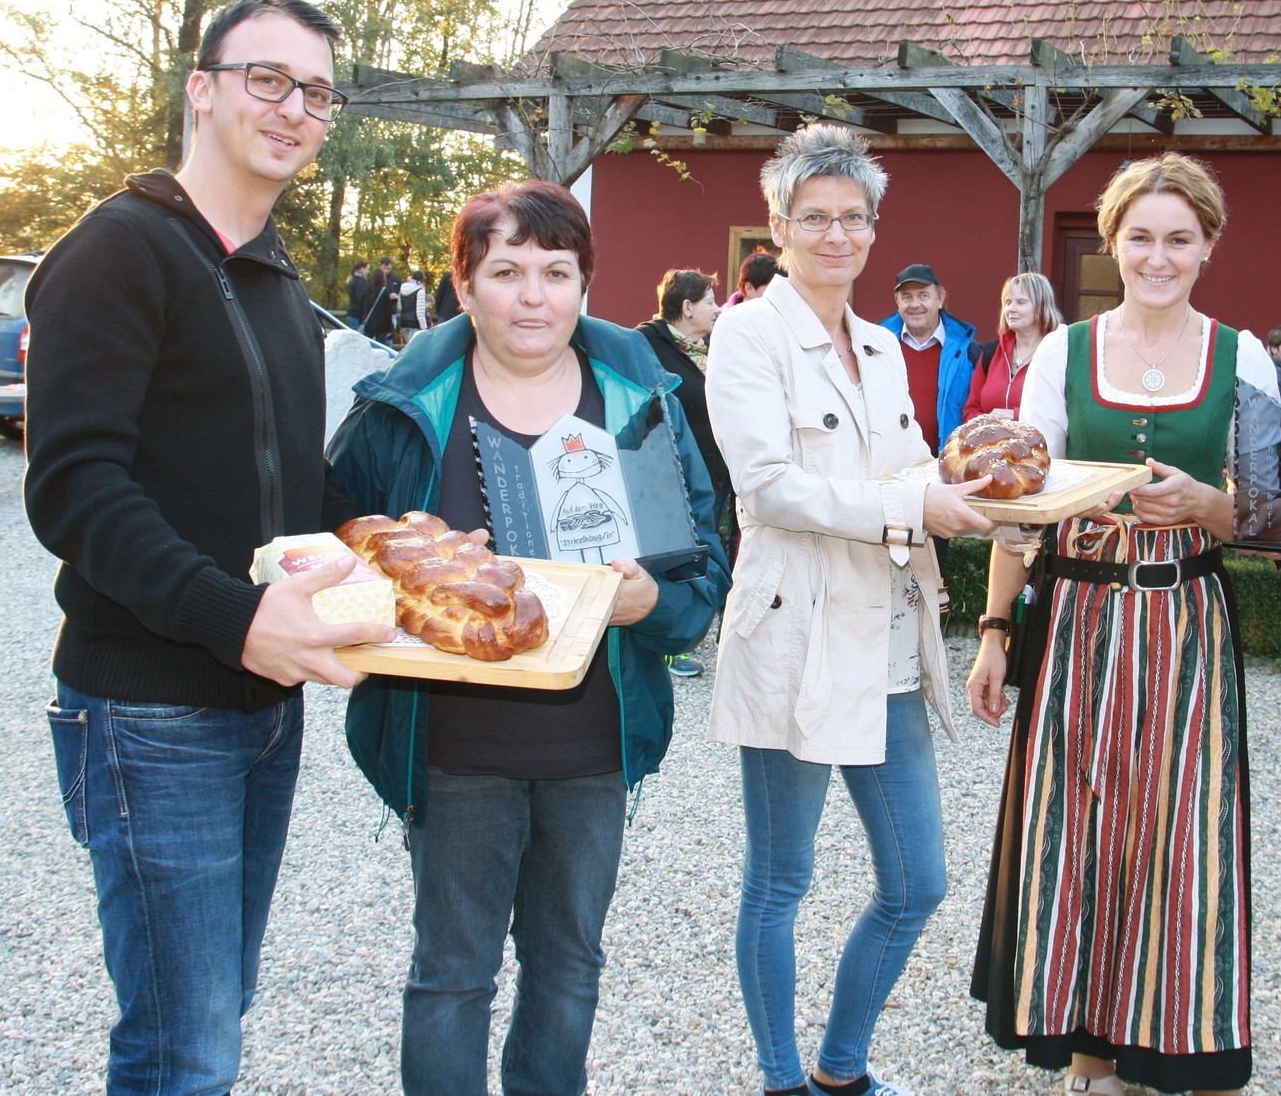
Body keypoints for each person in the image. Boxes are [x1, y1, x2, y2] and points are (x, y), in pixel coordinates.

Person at [27, 0, 394, 1094]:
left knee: (213, 1012)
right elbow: (75, 491)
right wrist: (238, 622)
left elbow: (282, 473)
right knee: (183, 1045)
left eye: (317, 92)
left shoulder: (275, 276)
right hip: (147, 709)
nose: (292, 109)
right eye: (266, 79)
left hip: (257, 705)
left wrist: (361, 529)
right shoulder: (117, 251)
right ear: (203, 87)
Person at [328, 181, 730, 1096]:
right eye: (506, 271)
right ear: (465, 285)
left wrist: (650, 609)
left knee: (567, 969)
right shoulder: (404, 406)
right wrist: (390, 598)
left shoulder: (639, 400)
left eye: (557, 271)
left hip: (592, 745)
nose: (533, 295)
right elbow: (332, 551)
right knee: (452, 976)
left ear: (586, 283)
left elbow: (704, 558)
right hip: (455, 748)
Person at [967, 153, 1281, 1096]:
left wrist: (1209, 507)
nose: (1158, 255)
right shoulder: (1064, 353)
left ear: (1208, 246)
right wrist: (991, 628)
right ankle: (1091, 1052)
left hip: (1187, 617)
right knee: (1078, 827)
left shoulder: (1246, 356)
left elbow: (1271, 517)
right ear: (1113, 243)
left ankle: (1177, 1030)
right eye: (1140, 235)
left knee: (1183, 830)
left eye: (1178, 237)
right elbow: (1017, 498)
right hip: (1078, 619)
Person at [708, 123, 994, 1096]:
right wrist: (914, 501)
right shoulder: (746, 334)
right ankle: (783, 1080)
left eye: (852, 218)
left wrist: (973, 481)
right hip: (794, 636)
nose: (835, 236)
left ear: (873, 230)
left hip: (888, 648)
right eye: (813, 218)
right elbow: (771, 488)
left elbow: (907, 471)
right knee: (780, 882)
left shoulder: (878, 346)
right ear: (779, 227)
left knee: (916, 883)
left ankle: (841, 1068)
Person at [639, 266, 728, 677]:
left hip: (712, 472)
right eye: (710, 301)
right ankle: (673, 648)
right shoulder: (646, 344)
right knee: (676, 555)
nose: (717, 308)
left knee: (707, 553)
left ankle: (696, 631)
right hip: (668, 477)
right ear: (687, 307)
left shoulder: (708, 349)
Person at [878, 263, 977, 457]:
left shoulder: (969, 352)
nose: (915, 304)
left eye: (923, 296)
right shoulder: (876, 346)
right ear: (897, 301)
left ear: (940, 299)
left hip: (947, 464)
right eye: (907, 297)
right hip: (891, 464)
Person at [962, 272, 1062, 422]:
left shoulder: (1058, 354)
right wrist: (988, 424)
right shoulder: (991, 352)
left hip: (1040, 445)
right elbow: (971, 409)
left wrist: (1016, 416)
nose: (1011, 309)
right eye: (1008, 302)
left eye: (1021, 302)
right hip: (992, 444)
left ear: (1042, 306)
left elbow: (1063, 413)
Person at [363, 257, 400, 340]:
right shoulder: (375, 288)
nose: (386, 271)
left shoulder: (396, 279)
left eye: (388, 269)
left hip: (375, 319)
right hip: (379, 320)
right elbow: (387, 310)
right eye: (384, 268)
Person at [399, 268, 431, 335]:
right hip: (414, 323)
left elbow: (399, 307)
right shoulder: (420, 291)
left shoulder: (402, 289)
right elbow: (420, 312)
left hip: (403, 321)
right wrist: (424, 328)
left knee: (407, 344)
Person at [348, 258, 373, 326]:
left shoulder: (354, 279)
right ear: (362, 269)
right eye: (367, 269)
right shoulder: (359, 282)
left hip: (353, 312)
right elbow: (361, 298)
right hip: (357, 314)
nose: (368, 272)